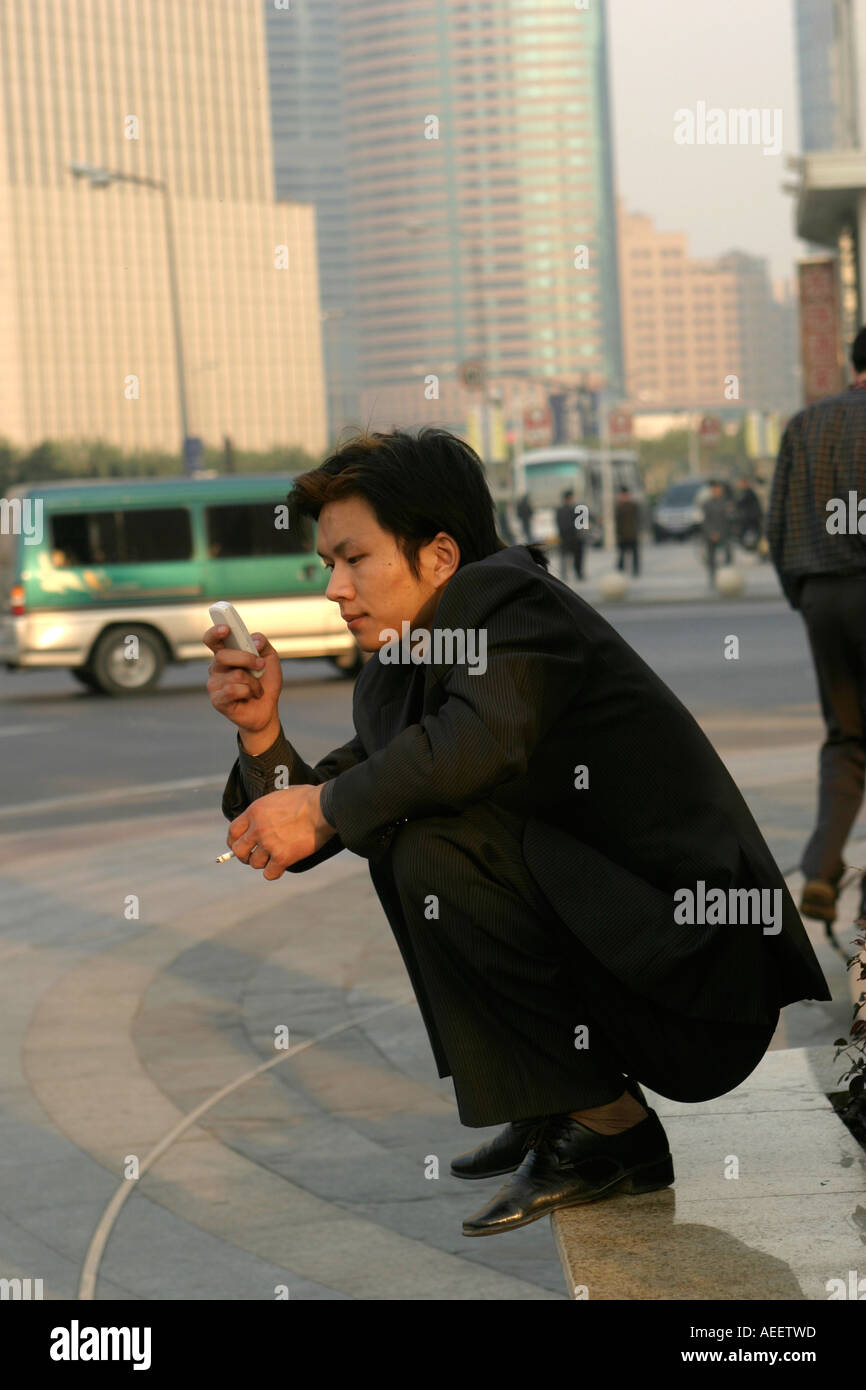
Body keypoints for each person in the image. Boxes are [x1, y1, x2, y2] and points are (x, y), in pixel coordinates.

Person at [206, 426, 830, 1238]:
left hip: (697, 960)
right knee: (403, 821)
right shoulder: (405, 662)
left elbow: (473, 745)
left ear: (438, 554)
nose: (335, 588)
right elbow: (351, 792)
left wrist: (324, 809)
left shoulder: (508, 600)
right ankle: (554, 1098)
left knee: (431, 842)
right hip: (626, 939)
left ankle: (610, 1130)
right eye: (329, 565)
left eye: (354, 559)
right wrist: (262, 734)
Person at [766, 325, 866, 931]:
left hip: (823, 597)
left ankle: (823, 870)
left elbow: (778, 525)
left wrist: (803, 596)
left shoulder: (804, 425)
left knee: (847, 739)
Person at [700, 479, 732, 586]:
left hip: (725, 533)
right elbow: (705, 521)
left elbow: (731, 518)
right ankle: (713, 578)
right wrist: (711, 533)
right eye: (716, 489)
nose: (718, 491)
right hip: (712, 534)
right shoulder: (707, 503)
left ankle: (727, 577)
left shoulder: (726, 502)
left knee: (728, 556)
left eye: (719, 489)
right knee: (711, 558)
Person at [554, 487, 585, 582]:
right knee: (569, 557)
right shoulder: (574, 509)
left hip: (568, 537)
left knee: (569, 557)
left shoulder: (561, 510)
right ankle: (573, 574)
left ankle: (571, 574)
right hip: (571, 537)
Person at [615, 483, 640, 576]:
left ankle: (635, 570)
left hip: (632, 533)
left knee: (634, 553)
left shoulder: (632, 505)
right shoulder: (619, 506)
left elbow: (637, 519)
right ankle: (620, 570)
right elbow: (617, 522)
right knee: (621, 554)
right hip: (622, 534)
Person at [734, 477, 764, 549]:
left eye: (742, 483)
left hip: (751, 518)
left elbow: (742, 503)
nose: (741, 485)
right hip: (750, 518)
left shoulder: (749, 493)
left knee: (751, 535)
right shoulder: (745, 492)